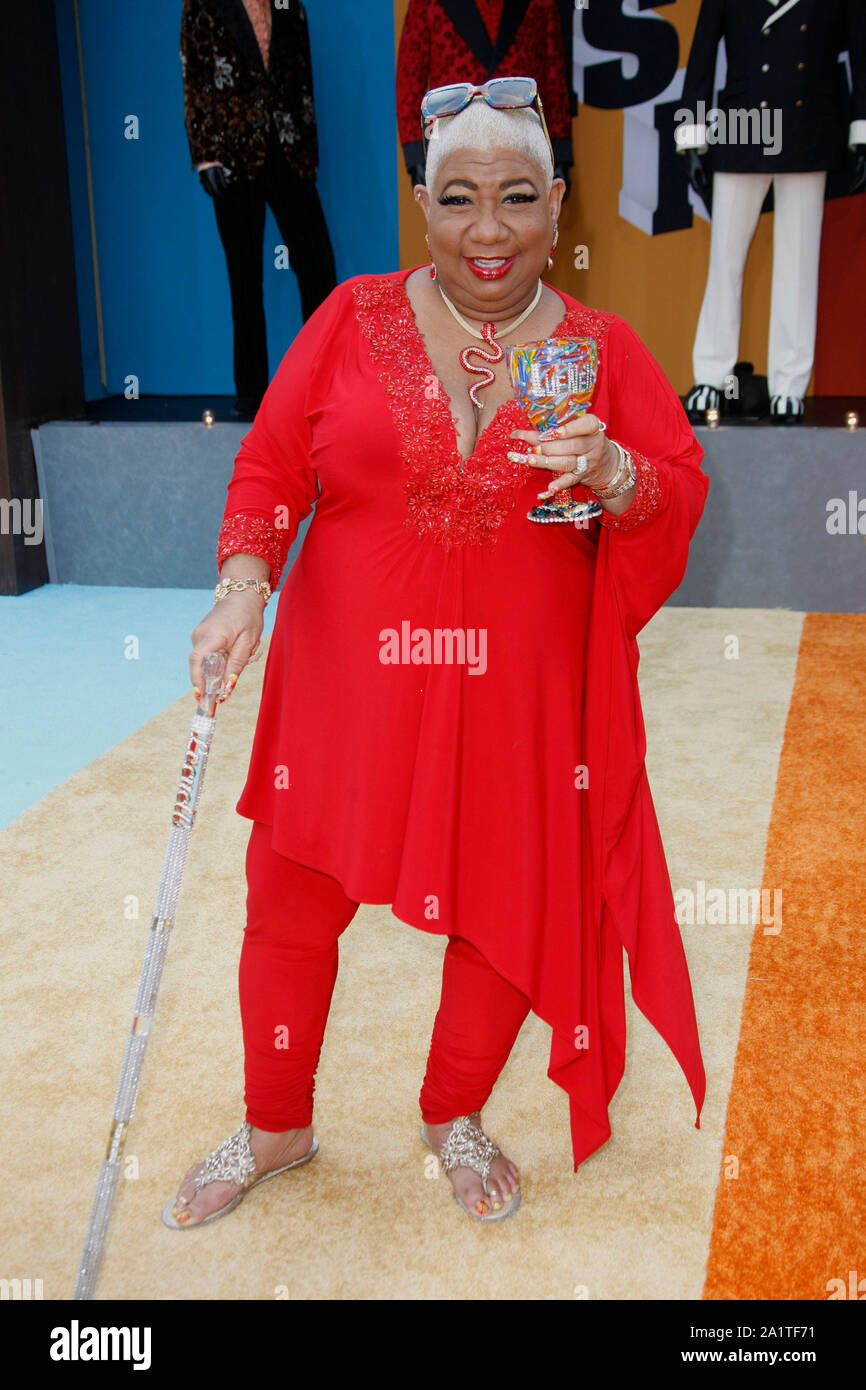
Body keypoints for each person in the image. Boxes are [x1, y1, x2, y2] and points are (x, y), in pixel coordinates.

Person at [163, 81, 709, 1231]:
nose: (488, 226)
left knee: (505, 909)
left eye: (517, 195)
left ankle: (452, 1110)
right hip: (344, 692)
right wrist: (240, 590)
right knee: (291, 900)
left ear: (557, 204)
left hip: (517, 704)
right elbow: (269, 468)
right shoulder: (350, 316)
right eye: (457, 198)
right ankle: (276, 1123)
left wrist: (614, 473)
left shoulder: (603, 350)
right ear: (421, 205)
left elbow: (671, 492)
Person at [676, 0, 866, 425]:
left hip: (809, 127)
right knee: (725, 260)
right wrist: (692, 136)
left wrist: (862, 129)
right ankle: (711, 375)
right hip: (742, 124)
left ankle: (789, 385)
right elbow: (702, 55)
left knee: (798, 264)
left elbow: (859, 51)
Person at [180, 0, 336, 419]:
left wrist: (309, 152)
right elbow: (194, 76)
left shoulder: (290, 5)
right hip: (230, 156)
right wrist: (205, 155)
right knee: (244, 282)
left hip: (288, 151)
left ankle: (324, 389)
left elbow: (303, 81)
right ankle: (251, 399)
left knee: (319, 270)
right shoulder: (202, 6)